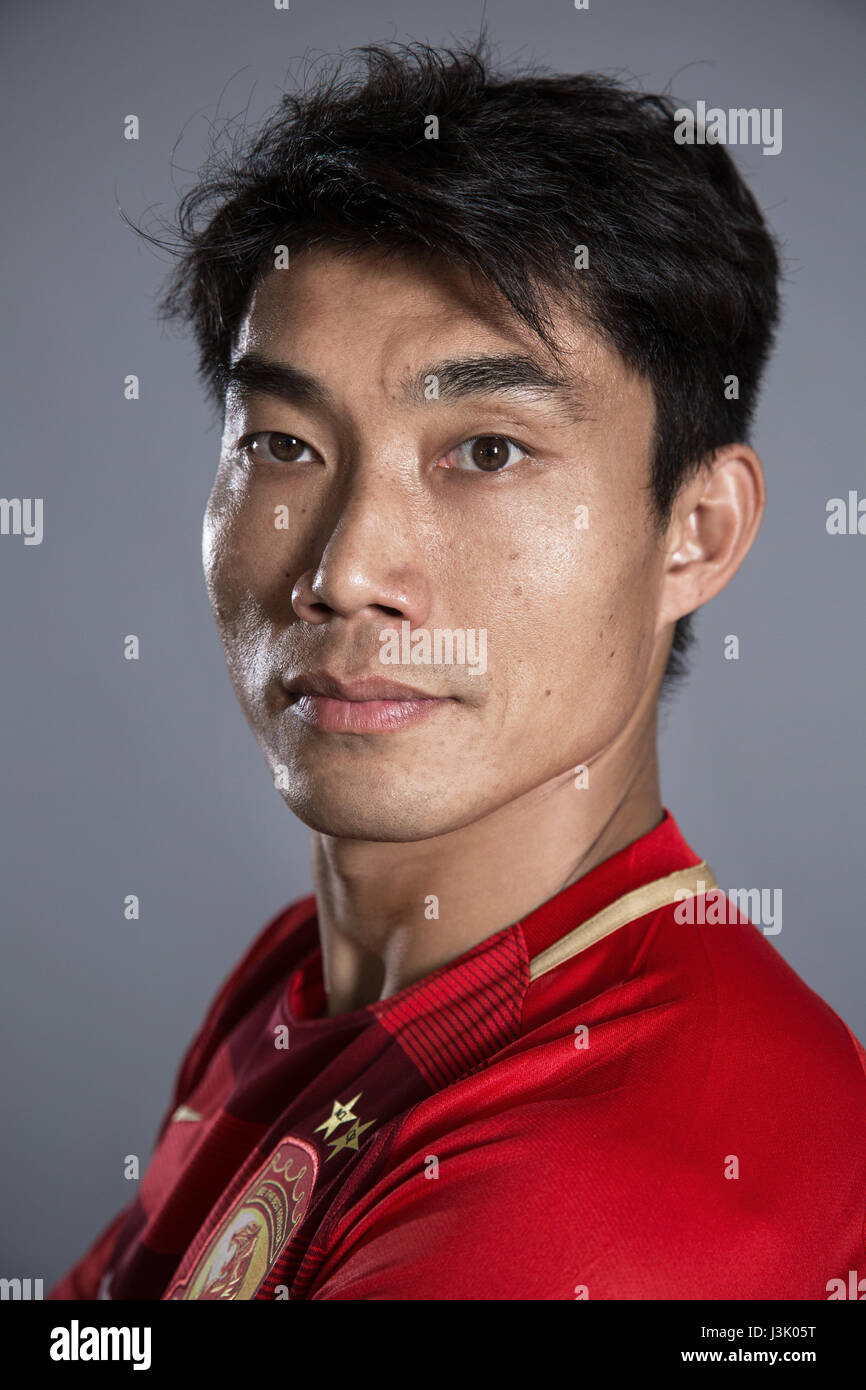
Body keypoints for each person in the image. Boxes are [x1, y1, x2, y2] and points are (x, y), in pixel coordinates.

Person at [50, 39, 866, 1301]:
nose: (345, 568)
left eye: (485, 450)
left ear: (693, 533)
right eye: (281, 441)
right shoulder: (311, 972)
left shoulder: (613, 1186)